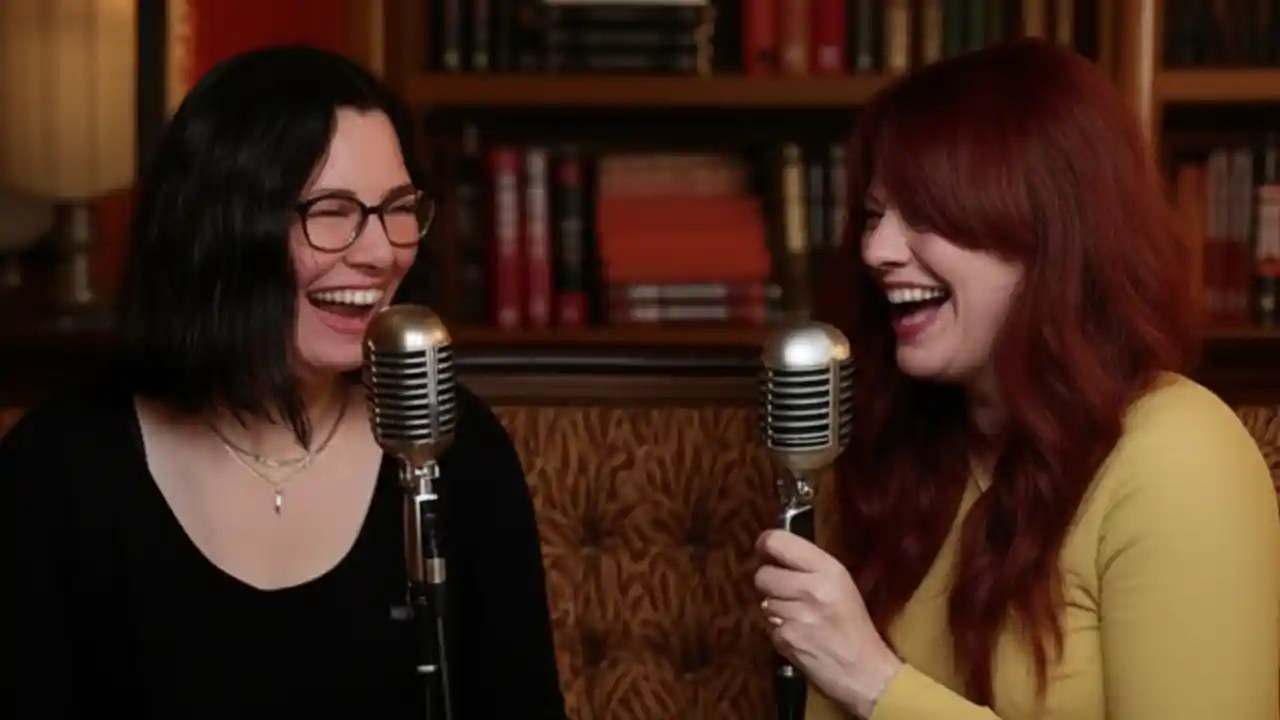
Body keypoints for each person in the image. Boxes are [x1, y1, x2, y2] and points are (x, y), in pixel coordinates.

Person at [2, 45, 567, 718]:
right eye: (332, 211)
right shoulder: (62, 468)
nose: (383, 251)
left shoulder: (454, 448)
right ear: (221, 231)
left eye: (398, 206)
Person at [753, 38, 1280, 719]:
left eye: (928, 212)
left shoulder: (1179, 455)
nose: (876, 250)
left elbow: (868, 687)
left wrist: (878, 684)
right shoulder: (901, 451)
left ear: (1048, 231)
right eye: (876, 215)